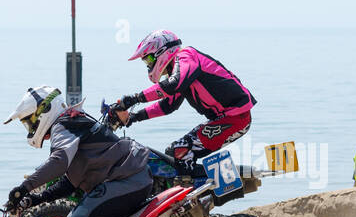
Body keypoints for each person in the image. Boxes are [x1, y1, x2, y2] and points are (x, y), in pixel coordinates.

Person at [3, 85, 152, 217]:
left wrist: (24, 187)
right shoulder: (71, 122)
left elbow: (59, 161)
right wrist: (32, 199)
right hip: (130, 177)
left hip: (127, 179)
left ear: (44, 111)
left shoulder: (62, 125)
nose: (31, 127)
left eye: (30, 121)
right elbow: (68, 183)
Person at [109, 30, 256, 171]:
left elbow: (174, 84)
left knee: (179, 151)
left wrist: (134, 99)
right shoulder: (178, 69)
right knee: (175, 152)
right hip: (225, 119)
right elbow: (168, 105)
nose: (148, 65)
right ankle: (194, 188)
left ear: (161, 51)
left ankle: (199, 190)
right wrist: (133, 117)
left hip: (236, 118)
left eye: (148, 59)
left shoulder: (186, 56)